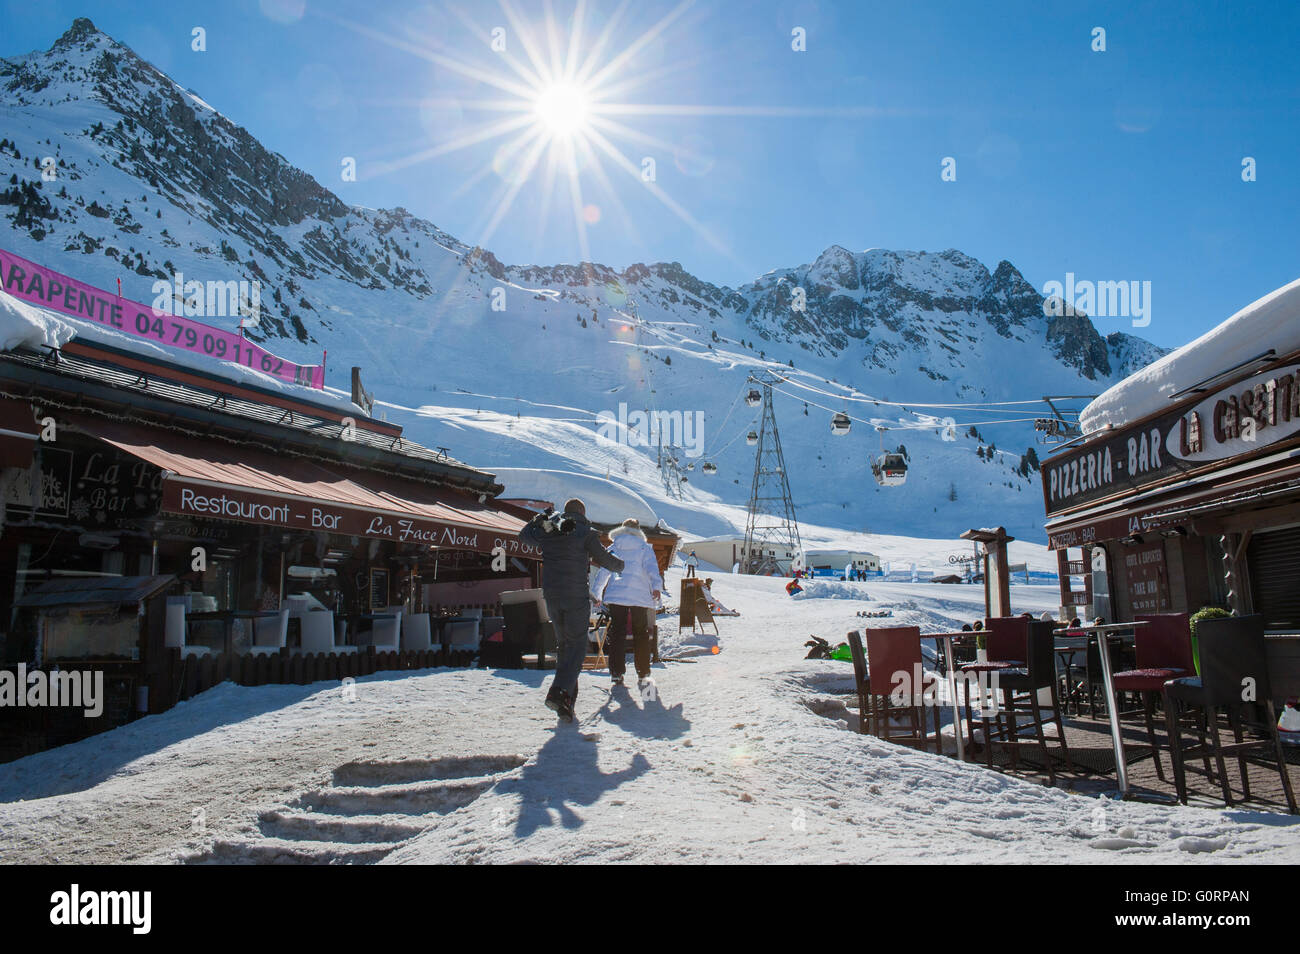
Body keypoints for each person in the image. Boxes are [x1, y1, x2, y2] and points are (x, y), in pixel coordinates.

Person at [519, 498, 624, 721]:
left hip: (552, 596)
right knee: (576, 647)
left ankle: (566, 704)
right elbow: (605, 559)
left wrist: (538, 519)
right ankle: (557, 692)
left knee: (565, 648)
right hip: (575, 596)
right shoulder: (585, 532)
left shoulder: (549, 530)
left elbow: (524, 535)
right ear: (583, 513)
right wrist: (623, 565)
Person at [591, 518, 662, 689]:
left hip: (617, 596)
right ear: (638, 530)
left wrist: (597, 593)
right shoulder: (644, 548)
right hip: (639, 597)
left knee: (617, 634)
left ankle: (616, 673)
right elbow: (652, 568)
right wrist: (656, 587)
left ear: (622, 529)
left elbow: (604, 571)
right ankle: (643, 672)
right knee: (641, 634)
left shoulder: (615, 546)